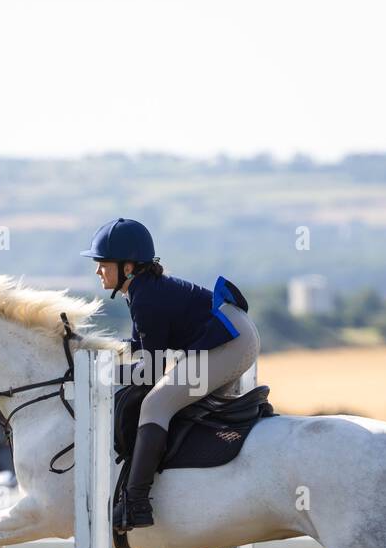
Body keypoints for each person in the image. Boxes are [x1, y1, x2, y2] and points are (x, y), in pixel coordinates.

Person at [84, 217, 259, 531]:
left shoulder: (146, 297)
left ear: (127, 267)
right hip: (234, 334)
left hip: (232, 342)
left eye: (103, 263)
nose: (97, 270)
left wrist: (100, 375)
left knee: (156, 404)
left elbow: (150, 372)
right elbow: (140, 346)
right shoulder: (142, 290)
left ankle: (136, 501)